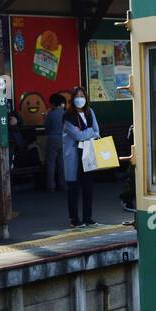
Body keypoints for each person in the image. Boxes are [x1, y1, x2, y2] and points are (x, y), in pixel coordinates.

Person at [62, 85, 100, 226]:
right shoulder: (68, 116)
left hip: (88, 153)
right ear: (72, 99)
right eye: (77, 97)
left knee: (88, 186)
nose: (80, 99)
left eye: (82, 96)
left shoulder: (90, 112)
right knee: (73, 187)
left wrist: (87, 132)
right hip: (74, 154)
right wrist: (89, 132)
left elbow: (97, 130)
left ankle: (87, 217)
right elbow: (77, 135)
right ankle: (74, 219)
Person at [44, 92, 66, 192]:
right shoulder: (65, 113)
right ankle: (63, 184)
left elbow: (47, 128)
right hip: (63, 139)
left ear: (53, 103)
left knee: (51, 163)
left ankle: (51, 186)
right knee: (62, 163)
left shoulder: (51, 114)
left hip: (52, 139)